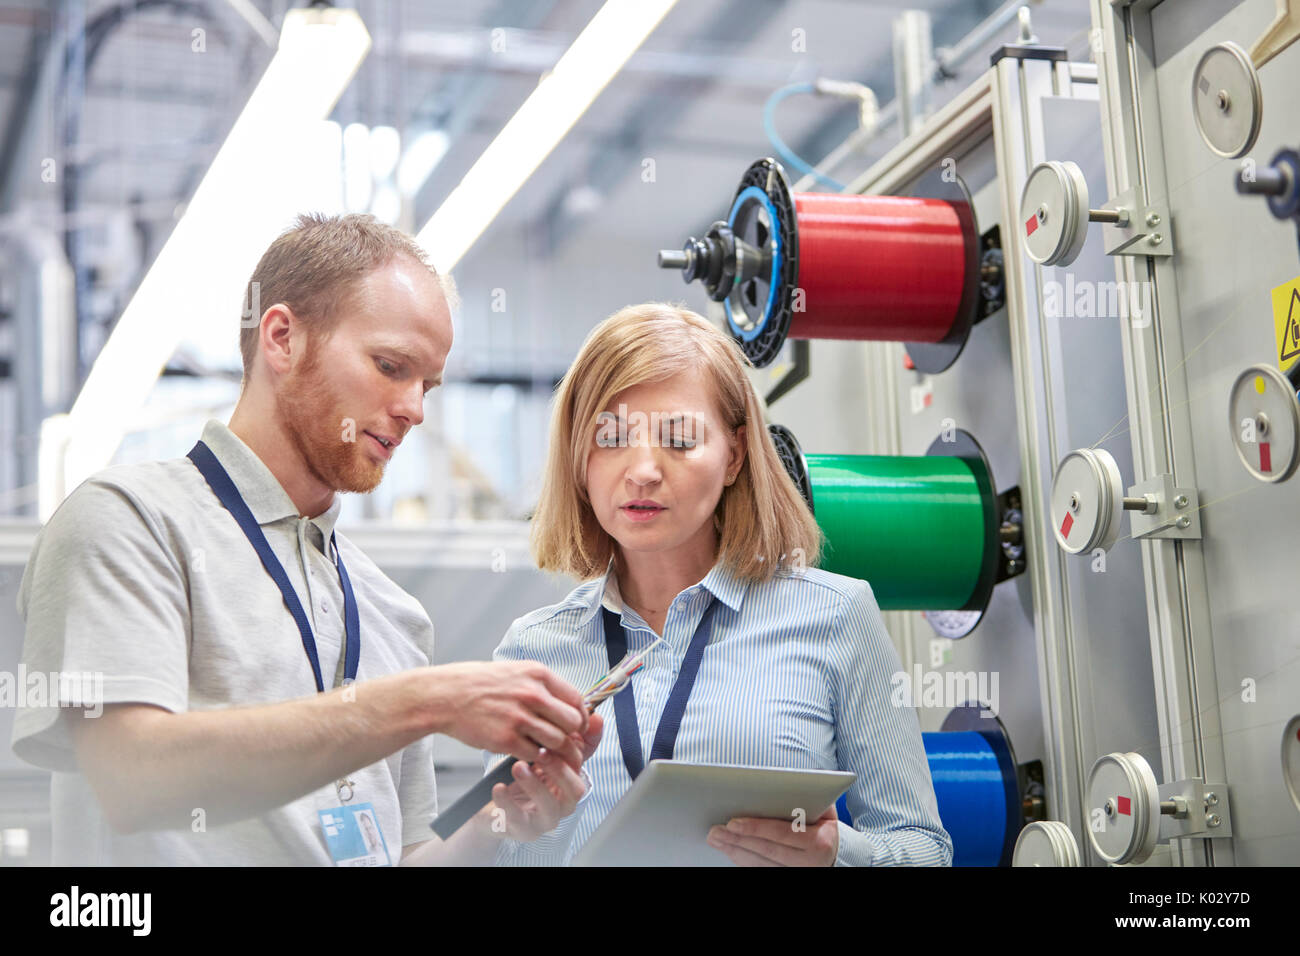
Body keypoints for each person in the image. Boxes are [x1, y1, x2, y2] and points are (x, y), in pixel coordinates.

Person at [11, 213, 602, 866]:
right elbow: (131, 778)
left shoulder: (394, 615)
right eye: (390, 365)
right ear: (283, 338)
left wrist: (495, 820)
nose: (415, 409)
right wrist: (425, 702)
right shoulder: (127, 523)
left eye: (427, 384)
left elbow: (403, 857)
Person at [485, 302, 951, 866]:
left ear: (734, 454)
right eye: (610, 437)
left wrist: (837, 855)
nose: (643, 470)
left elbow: (927, 850)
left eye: (679, 439)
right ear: (578, 454)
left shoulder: (834, 616)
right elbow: (491, 850)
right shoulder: (532, 651)